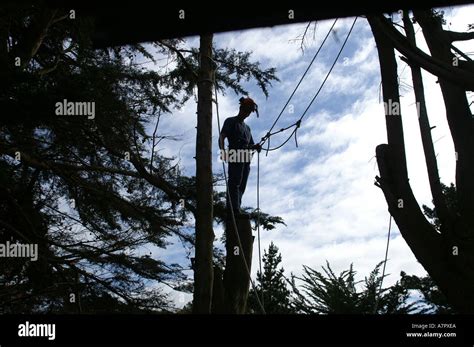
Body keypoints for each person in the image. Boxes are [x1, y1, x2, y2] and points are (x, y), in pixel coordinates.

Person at [219, 97, 261, 217]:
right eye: (246, 110)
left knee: (242, 184)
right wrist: (222, 151)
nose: (247, 114)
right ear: (241, 108)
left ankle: (236, 207)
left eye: (249, 112)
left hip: (246, 158)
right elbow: (222, 136)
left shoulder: (247, 128)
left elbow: (251, 144)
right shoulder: (230, 121)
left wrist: (256, 147)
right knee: (235, 182)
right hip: (235, 154)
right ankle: (233, 210)